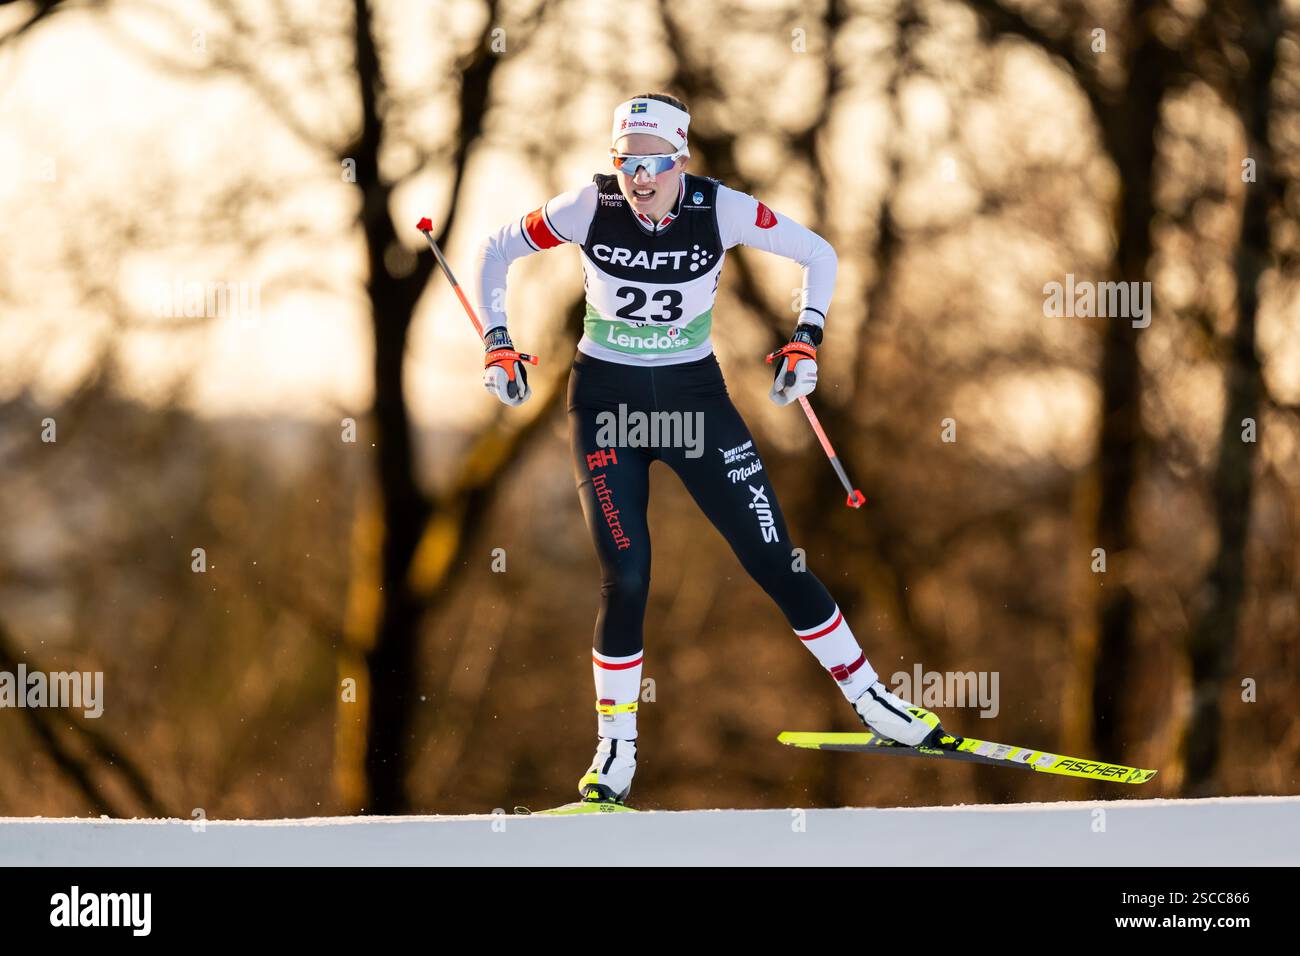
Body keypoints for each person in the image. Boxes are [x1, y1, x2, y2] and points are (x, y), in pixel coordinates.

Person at [474, 93, 954, 806]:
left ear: (681, 160)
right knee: (627, 576)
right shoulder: (586, 207)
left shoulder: (719, 209)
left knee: (773, 556)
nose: (640, 179)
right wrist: (499, 345)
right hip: (607, 409)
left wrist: (808, 339)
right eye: (627, 163)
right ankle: (616, 748)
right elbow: (496, 249)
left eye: (655, 164)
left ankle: (873, 700)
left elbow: (817, 254)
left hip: (695, 407)